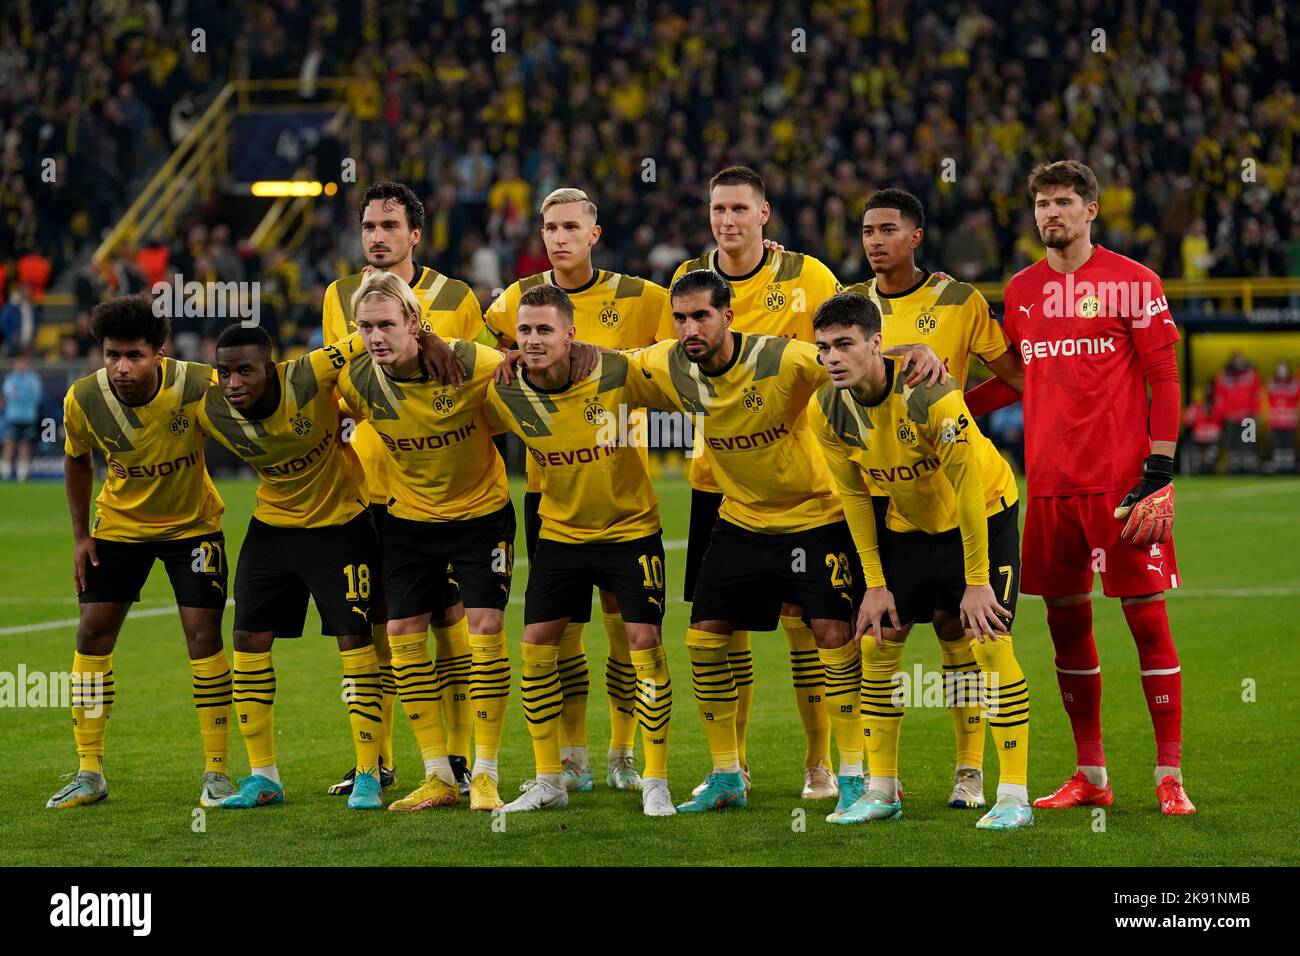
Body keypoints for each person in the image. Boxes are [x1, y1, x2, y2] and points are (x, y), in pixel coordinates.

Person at [627, 270, 944, 814]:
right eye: (680, 318)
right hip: (741, 521)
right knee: (703, 640)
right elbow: (606, 362)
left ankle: (850, 775)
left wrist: (911, 350)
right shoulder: (666, 361)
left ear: (728, 316)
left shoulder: (785, 358)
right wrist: (526, 353)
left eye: (701, 315)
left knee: (831, 635)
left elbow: (853, 361)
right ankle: (727, 774)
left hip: (814, 515)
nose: (689, 328)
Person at [969, 159, 1195, 815]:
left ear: (1091, 210)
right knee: (1066, 627)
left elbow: (1166, 378)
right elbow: (1017, 379)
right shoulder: (1021, 290)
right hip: (1049, 489)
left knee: (1147, 622)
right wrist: (953, 406)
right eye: (1042, 204)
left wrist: (1160, 472)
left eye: (1064, 202)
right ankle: (1090, 773)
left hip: (1123, 488)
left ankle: (1168, 774)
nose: (1051, 214)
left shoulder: (1134, 283)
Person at [198, 323, 454, 811]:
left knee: (354, 642)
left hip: (341, 525)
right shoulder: (206, 400)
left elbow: (376, 333)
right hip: (272, 526)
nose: (233, 383)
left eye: (245, 371)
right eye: (224, 373)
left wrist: (431, 339)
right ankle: (263, 776)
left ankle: (367, 773)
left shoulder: (311, 374)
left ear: (270, 370)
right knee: (248, 639)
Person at [809, 292, 1033, 830]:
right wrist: (875, 584)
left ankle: (1013, 796)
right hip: (909, 524)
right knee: (877, 638)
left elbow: (969, 488)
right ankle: (881, 790)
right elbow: (855, 498)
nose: (833, 357)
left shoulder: (929, 393)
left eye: (845, 344)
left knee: (988, 642)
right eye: (823, 348)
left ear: (876, 344)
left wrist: (976, 582)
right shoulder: (826, 410)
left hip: (982, 512)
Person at [485, 187, 672, 795]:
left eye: (570, 226)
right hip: (548, 489)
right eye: (549, 227)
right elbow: (488, 351)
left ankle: (623, 750)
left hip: (618, 485)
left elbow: (699, 333)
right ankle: (571, 757)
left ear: (594, 234)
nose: (558, 237)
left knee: (625, 632)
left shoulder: (644, 297)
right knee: (560, 633)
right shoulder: (516, 299)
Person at [670, 166, 845, 800]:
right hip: (716, 477)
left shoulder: (810, 276)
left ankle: (820, 764)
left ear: (763, 214)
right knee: (722, 623)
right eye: (718, 208)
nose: (727, 220)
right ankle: (732, 765)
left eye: (739, 208)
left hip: (802, 477)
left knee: (808, 622)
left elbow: (846, 351)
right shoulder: (692, 280)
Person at [846, 188, 1024, 810]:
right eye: (867, 230)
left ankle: (973, 773)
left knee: (965, 628)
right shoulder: (851, 308)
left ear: (915, 236)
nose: (874, 241)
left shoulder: (958, 300)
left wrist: (964, 414)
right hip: (897, 497)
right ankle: (879, 784)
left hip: (966, 486)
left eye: (888, 230)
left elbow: (1018, 376)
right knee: (882, 633)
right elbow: (831, 363)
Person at [321, 180, 487, 797]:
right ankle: (380, 760)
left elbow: (477, 383)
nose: (378, 237)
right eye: (369, 227)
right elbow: (341, 375)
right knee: (383, 622)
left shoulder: (456, 297)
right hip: (371, 482)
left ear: (415, 234)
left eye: (390, 226)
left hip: (440, 488)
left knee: (451, 619)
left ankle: (458, 758)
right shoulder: (339, 295)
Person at [47, 294, 234, 810]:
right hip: (120, 527)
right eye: (111, 355)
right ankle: (89, 771)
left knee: (202, 635)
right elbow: (77, 460)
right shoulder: (84, 399)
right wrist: (81, 536)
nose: (121, 367)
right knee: (92, 632)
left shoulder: (196, 384)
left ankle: (216, 771)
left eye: (133, 355)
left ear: (160, 352)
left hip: (192, 525)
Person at [336, 271, 514, 812]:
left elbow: (520, 366)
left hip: (481, 514)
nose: (376, 337)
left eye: (387, 324)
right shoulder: (357, 380)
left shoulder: (466, 360)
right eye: (365, 327)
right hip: (409, 520)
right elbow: (309, 394)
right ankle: (437, 774)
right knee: (401, 631)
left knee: (484, 627)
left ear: (415, 322)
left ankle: (484, 773)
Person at [1, 350, 43, 481]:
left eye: (23, 362)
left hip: (28, 416)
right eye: (19, 362)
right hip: (13, 416)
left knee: (25, 444)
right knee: (9, 442)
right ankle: (5, 471)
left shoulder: (33, 379)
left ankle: (22, 472)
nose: (21, 364)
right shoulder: (10, 378)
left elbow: (37, 396)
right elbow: (8, 395)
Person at [1265, 360, 1297, 473]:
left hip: (1289, 422)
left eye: (1284, 369)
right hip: (1276, 422)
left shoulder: (1294, 383)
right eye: (1279, 369)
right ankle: (1278, 467)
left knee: (1288, 447)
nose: (1282, 372)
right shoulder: (1272, 383)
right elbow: (1270, 397)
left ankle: (1289, 468)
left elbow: (1295, 396)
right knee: (1277, 447)